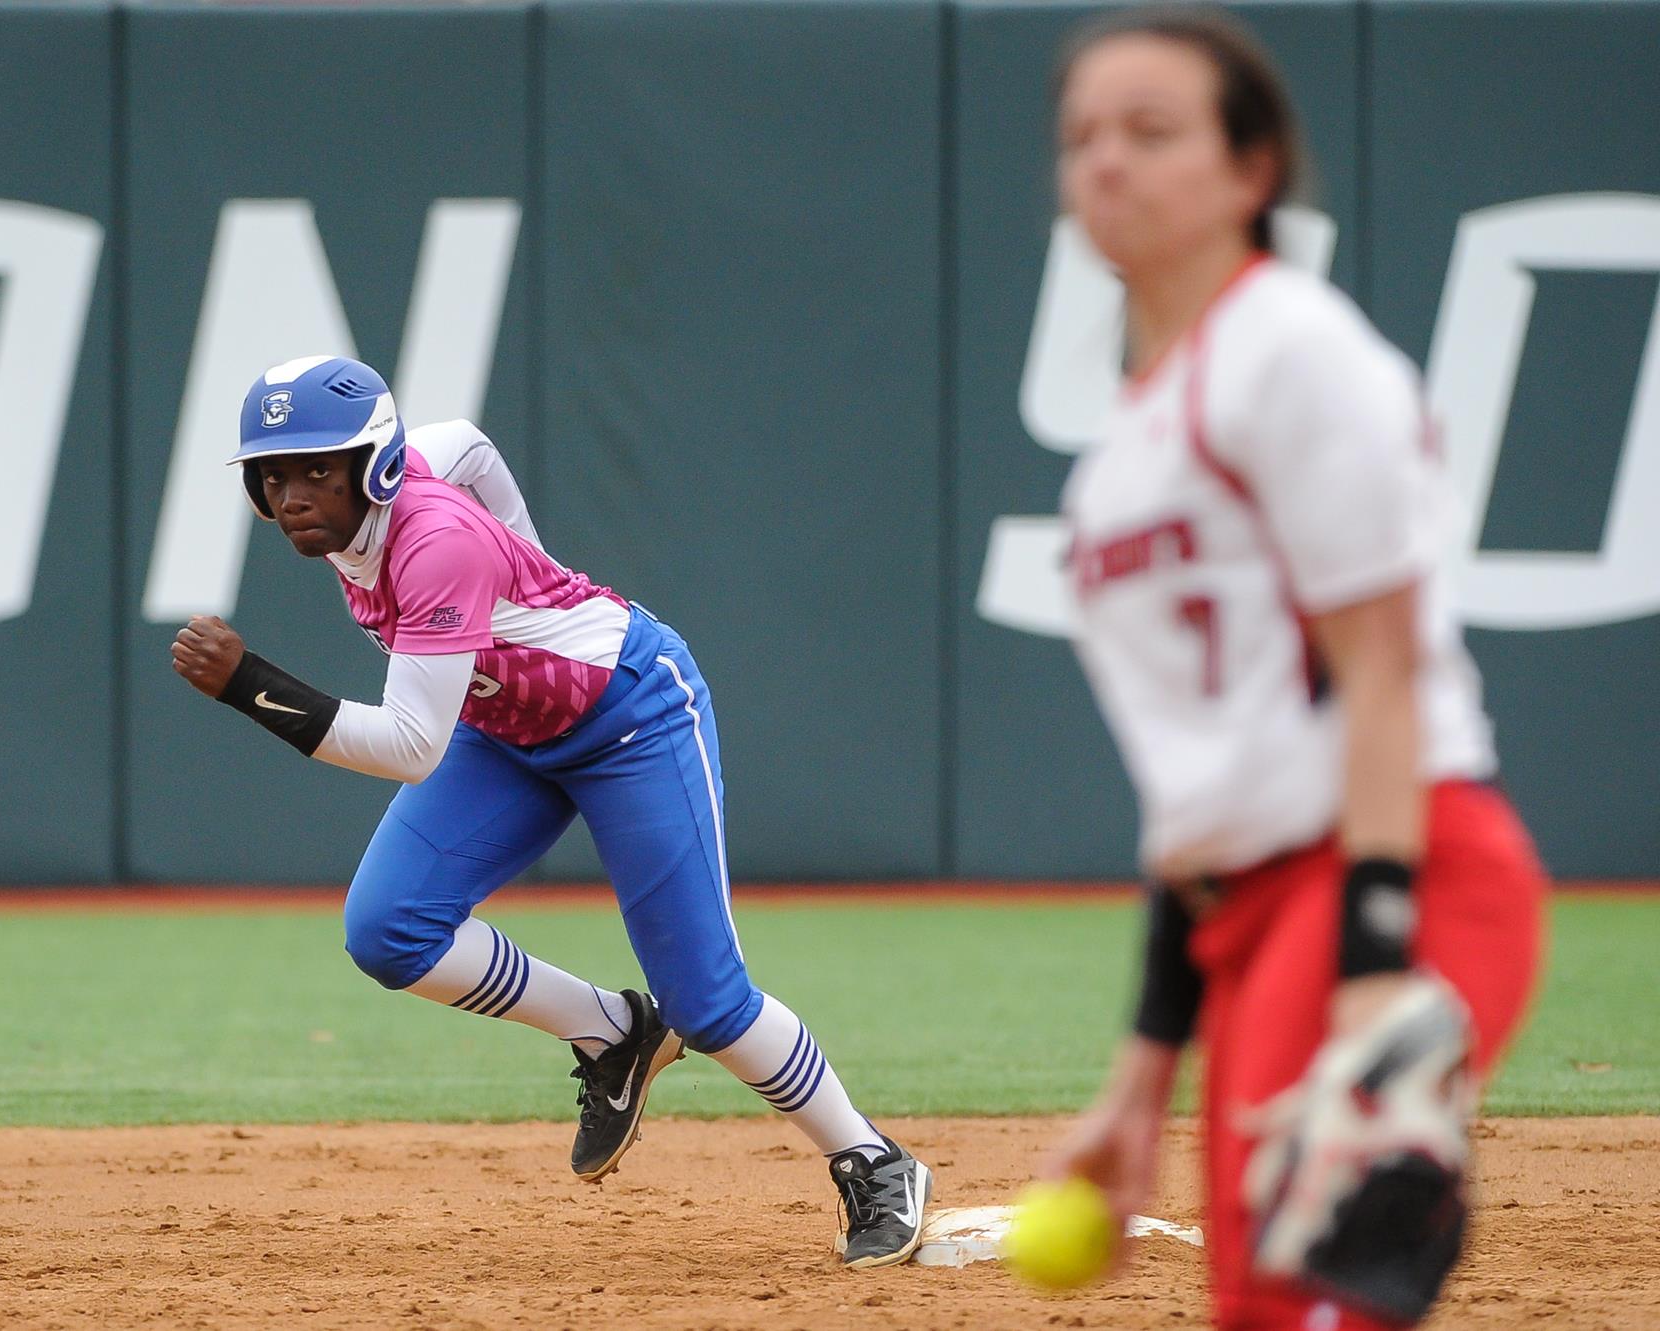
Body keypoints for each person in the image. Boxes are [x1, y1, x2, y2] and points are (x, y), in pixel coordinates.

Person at [170, 354, 932, 1267]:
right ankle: (614, 1029)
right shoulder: (386, 495)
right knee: (387, 929)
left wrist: (252, 687)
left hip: (629, 718)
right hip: (506, 729)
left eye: (317, 468)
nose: (293, 493)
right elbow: (472, 446)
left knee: (709, 1000)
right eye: (275, 473)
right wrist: (533, 561)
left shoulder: (431, 541)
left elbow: (412, 748)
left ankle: (872, 1156)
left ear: (372, 463)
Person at [1037, 8, 1546, 1329]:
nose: (1108, 164)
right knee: (1260, 1302)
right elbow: (1197, 792)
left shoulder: (1292, 352)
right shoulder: (1126, 449)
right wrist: (1143, 1072)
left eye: (1153, 131)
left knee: (1311, 1303)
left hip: (1394, 867)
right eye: (1082, 136)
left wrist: (1379, 961)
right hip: (1246, 915)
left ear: (1251, 170)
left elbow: (1382, 667)